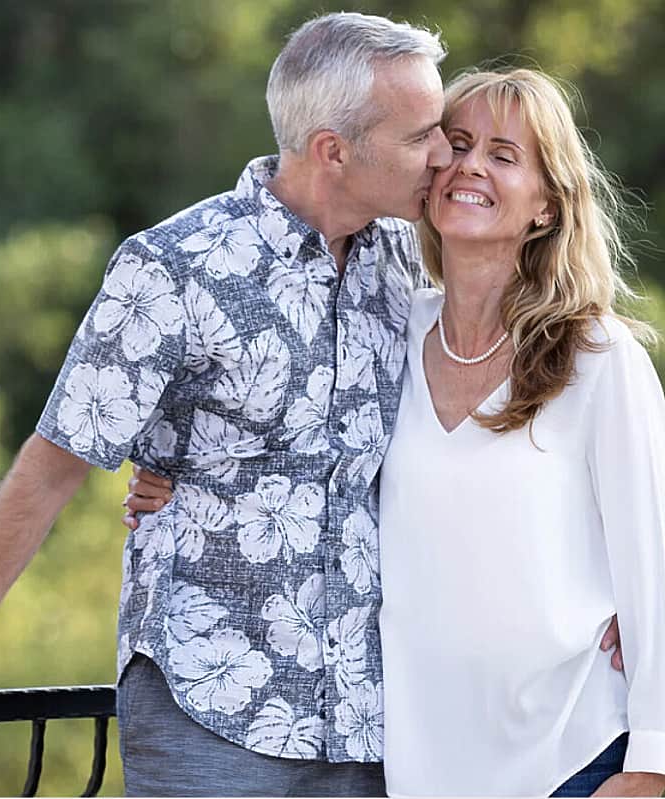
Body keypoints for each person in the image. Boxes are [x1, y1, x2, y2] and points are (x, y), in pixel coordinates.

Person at [0, 12, 452, 796]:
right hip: (212, 713)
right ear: (333, 149)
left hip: (374, 718)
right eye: (421, 136)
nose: (444, 154)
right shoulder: (174, 269)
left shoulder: (411, 263)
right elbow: (51, 467)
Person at [123, 68, 663, 796]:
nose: (470, 165)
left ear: (546, 206)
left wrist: (651, 766)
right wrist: (180, 477)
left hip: (574, 755)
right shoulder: (385, 331)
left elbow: (654, 566)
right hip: (418, 767)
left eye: (504, 155)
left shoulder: (598, 358)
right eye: (459, 143)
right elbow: (287, 448)